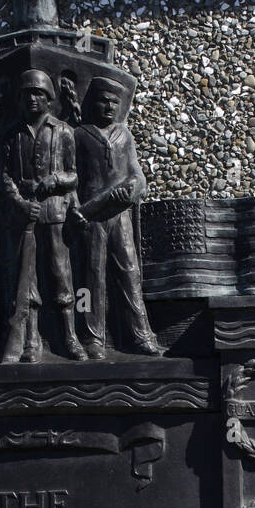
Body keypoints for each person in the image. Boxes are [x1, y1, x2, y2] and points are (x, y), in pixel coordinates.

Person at [71, 77, 162, 360]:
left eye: (114, 102)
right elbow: (71, 176)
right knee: (91, 276)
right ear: (92, 103)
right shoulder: (79, 135)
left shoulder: (124, 135)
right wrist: (77, 209)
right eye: (102, 100)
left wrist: (135, 185)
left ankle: (139, 335)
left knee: (129, 272)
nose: (109, 107)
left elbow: (136, 172)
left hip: (120, 216)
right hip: (91, 217)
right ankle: (93, 336)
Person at [0, 69, 85, 363]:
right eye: (27, 94)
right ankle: (31, 341)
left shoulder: (63, 131)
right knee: (28, 279)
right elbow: (5, 177)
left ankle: (69, 338)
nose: (33, 99)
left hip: (55, 214)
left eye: (39, 93)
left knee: (61, 276)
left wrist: (57, 180)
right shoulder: (12, 134)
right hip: (25, 216)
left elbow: (75, 175)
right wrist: (20, 203)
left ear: (49, 99)